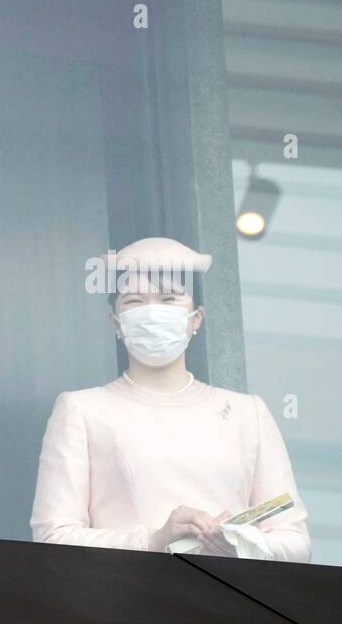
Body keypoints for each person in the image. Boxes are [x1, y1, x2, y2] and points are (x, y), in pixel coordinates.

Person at [30, 236, 309, 561]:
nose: (152, 313)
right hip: (130, 604)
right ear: (115, 322)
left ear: (196, 318)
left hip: (231, 604)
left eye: (169, 298)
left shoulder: (249, 414)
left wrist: (241, 545)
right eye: (134, 301)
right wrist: (154, 541)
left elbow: (295, 541)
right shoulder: (81, 410)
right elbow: (53, 537)